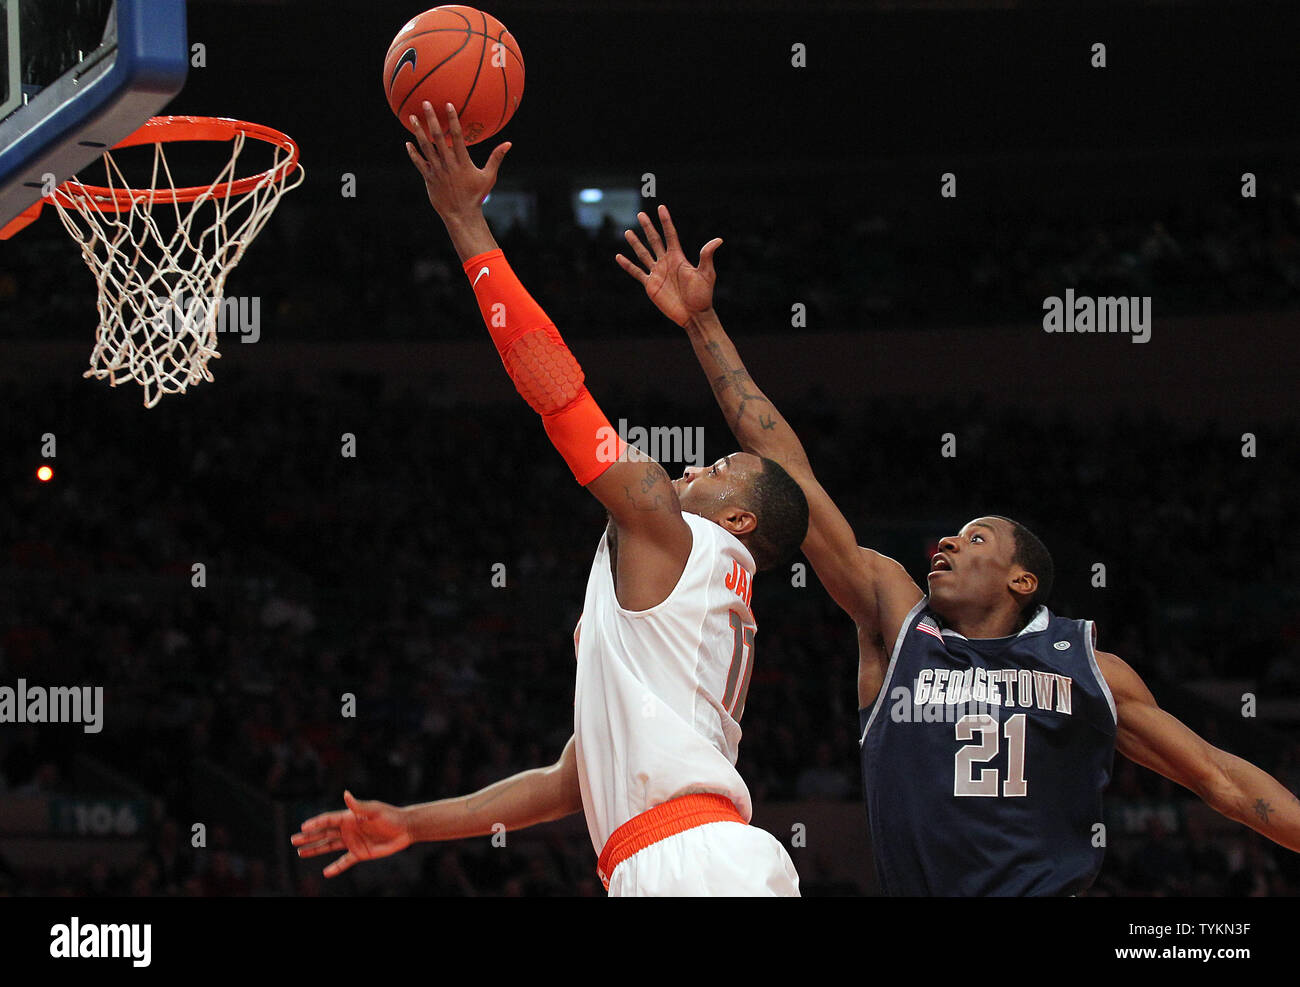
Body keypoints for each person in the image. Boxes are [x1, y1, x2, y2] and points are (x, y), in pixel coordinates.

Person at [617, 205, 1300, 896]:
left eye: (977, 538)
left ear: (1023, 578)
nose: (946, 541)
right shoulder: (897, 618)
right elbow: (788, 474)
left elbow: (1220, 776)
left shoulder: (1087, 666)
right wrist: (702, 322)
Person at [291, 104, 809, 896]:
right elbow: (569, 782)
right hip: (696, 855)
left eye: (714, 468)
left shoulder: (669, 533)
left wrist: (468, 226)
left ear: (739, 520)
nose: (690, 467)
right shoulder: (688, 607)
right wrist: (413, 822)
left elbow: (558, 394)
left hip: (692, 863)